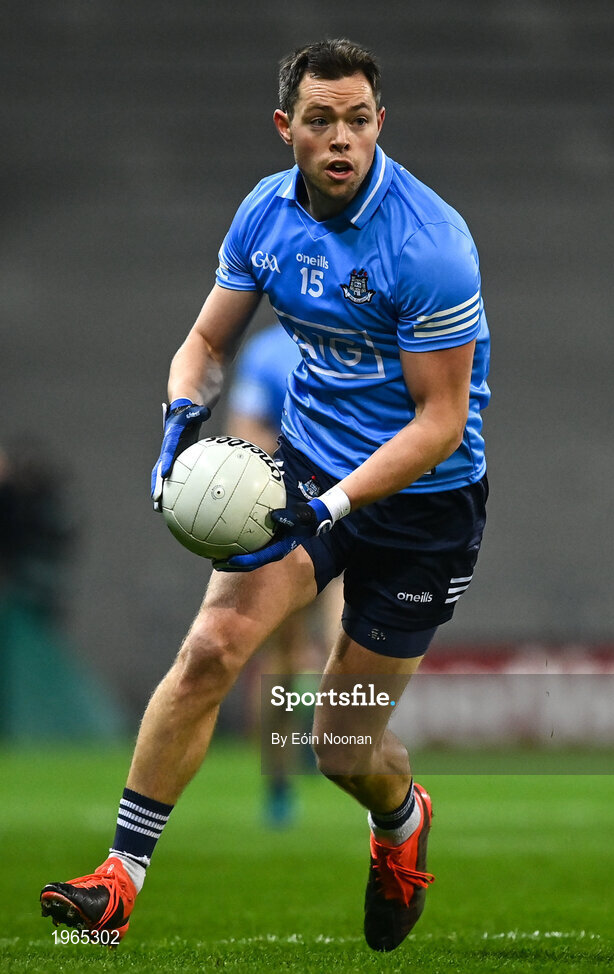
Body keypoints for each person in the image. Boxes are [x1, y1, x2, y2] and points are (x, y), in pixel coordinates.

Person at [40, 38, 490, 953]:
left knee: (340, 748)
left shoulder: (430, 244)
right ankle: (118, 880)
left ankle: (401, 820)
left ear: (380, 123)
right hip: (309, 465)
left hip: (423, 504)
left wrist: (330, 510)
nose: (340, 138)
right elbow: (206, 344)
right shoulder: (263, 213)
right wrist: (179, 415)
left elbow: (440, 423)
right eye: (320, 120)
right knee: (211, 646)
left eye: (357, 120)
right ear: (286, 126)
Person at [227, 322, 340, 825]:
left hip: (346, 512)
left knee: (343, 639)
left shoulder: (358, 339)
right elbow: (244, 431)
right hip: (287, 520)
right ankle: (278, 782)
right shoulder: (268, 353)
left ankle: (333, 741)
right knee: (285, 659)